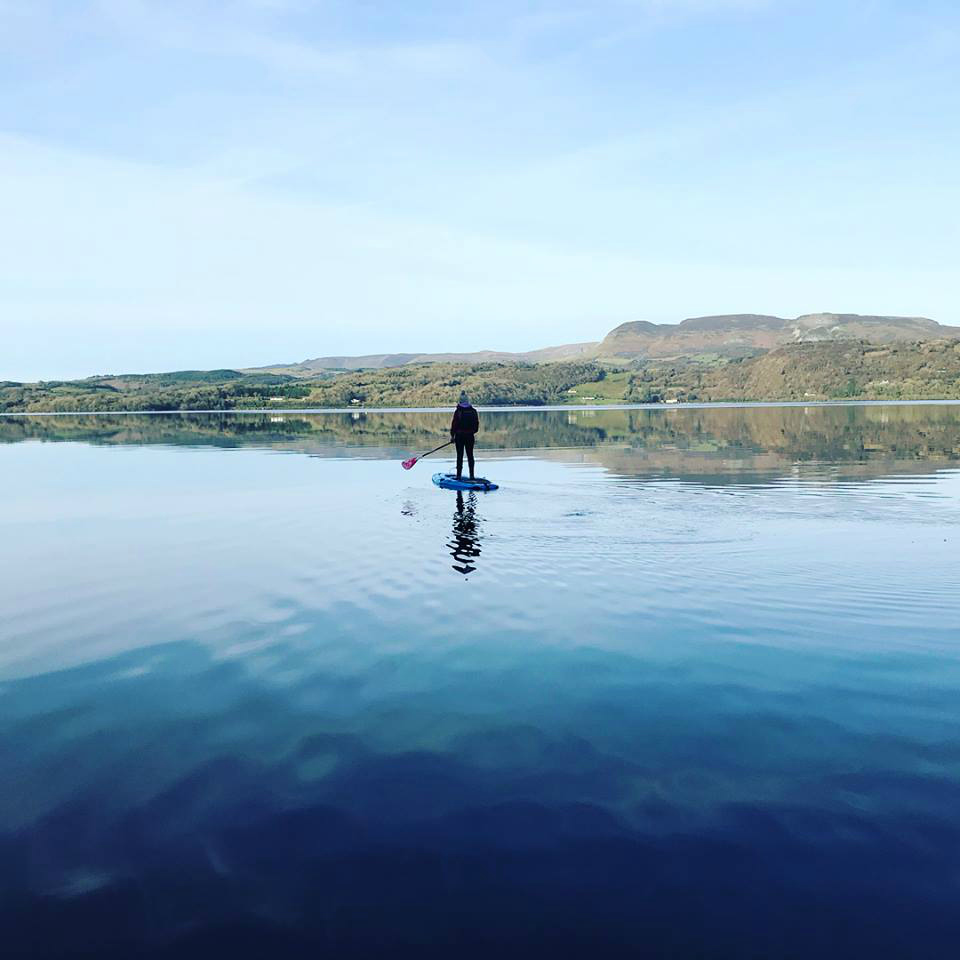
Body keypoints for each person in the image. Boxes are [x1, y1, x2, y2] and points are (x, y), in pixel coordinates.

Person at [450, 390, 479, 481]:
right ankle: (472, 476)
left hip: (459, 437)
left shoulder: (458, 411)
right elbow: (476, 425)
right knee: (470, 455)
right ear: (468, 401)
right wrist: (471, 432)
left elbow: (454, 425)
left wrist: (452, 436)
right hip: (470, 436)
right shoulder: (474, 411)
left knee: (460, 456)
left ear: (460, 401)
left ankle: (458, 476)